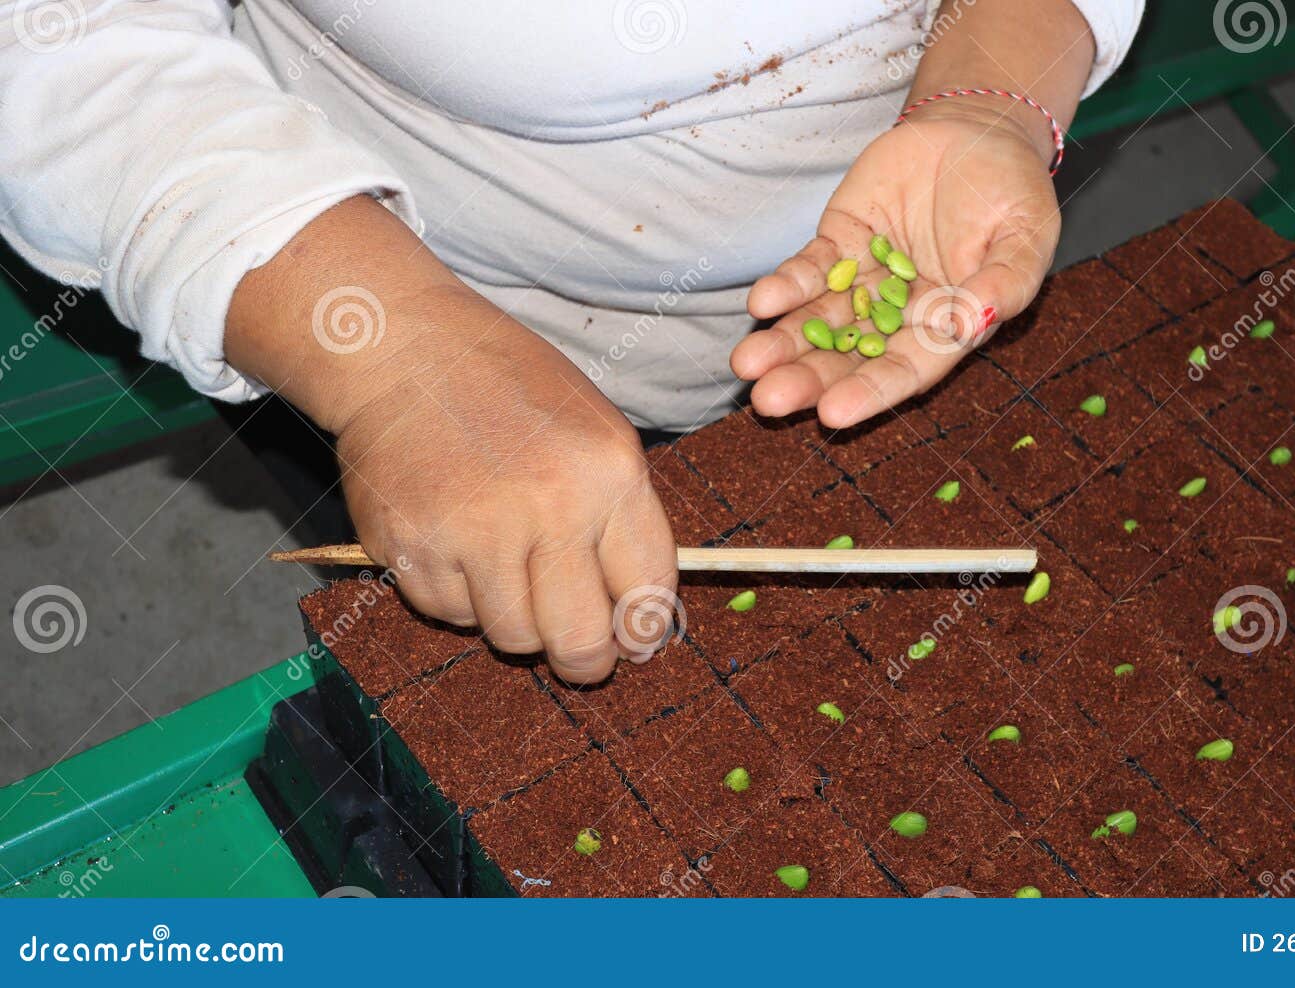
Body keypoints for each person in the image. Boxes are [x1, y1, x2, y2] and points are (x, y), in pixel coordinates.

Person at [0, 1, 1142, 684]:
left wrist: (990, 98)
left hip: (879, 291)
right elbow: (55, 39)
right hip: (385, 288)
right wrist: (399, 366)